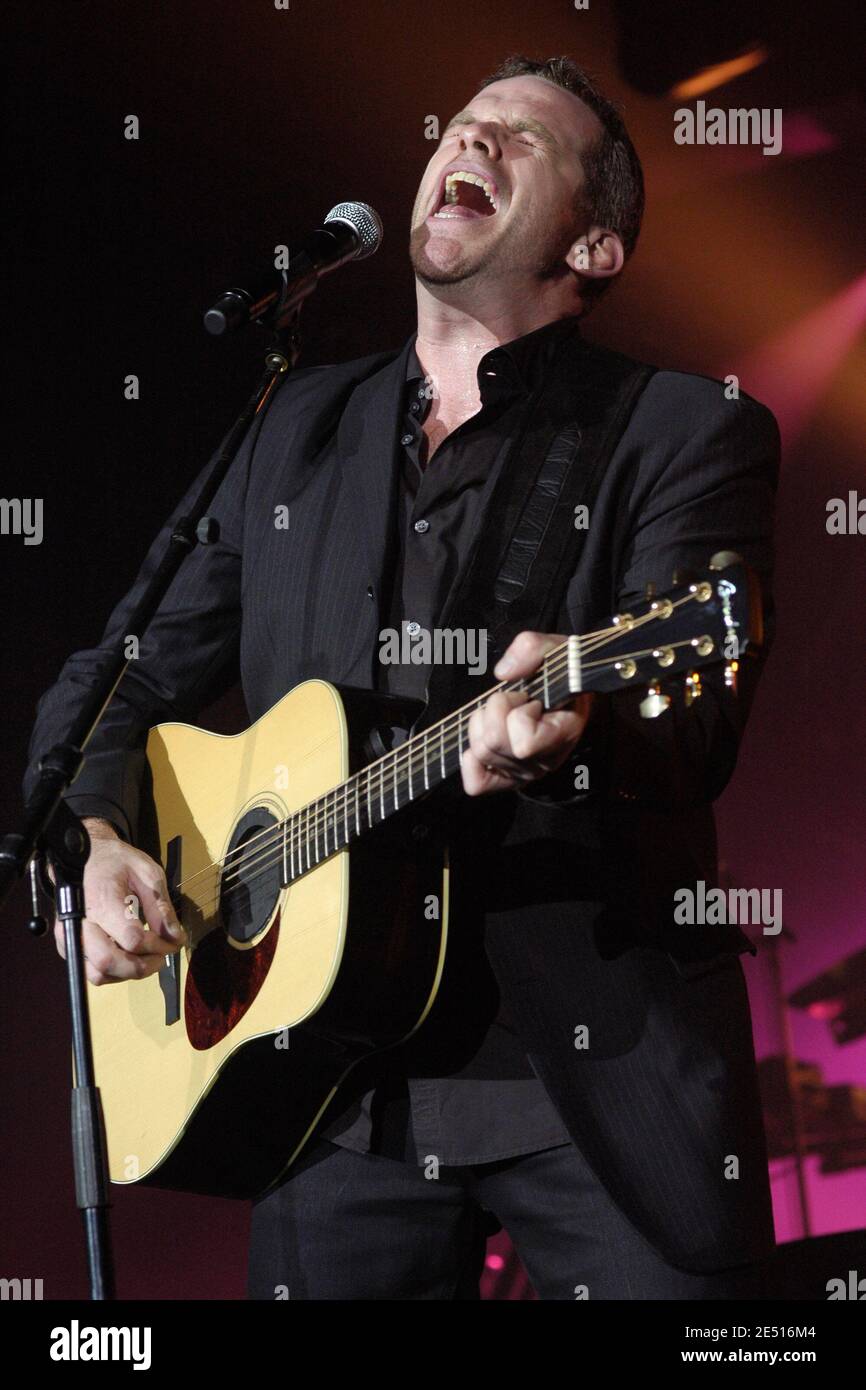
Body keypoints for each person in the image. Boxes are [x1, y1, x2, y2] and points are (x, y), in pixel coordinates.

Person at [25, 55, 780, 1300]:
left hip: (580, 1078)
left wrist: (579, 726)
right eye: (463, 125)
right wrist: (97, 829)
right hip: (320, 1088)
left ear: (593, 248)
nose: (471, 142)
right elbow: (121, 671)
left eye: (519, 141)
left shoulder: (680, 429)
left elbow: (696, 715)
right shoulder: (295, 426)